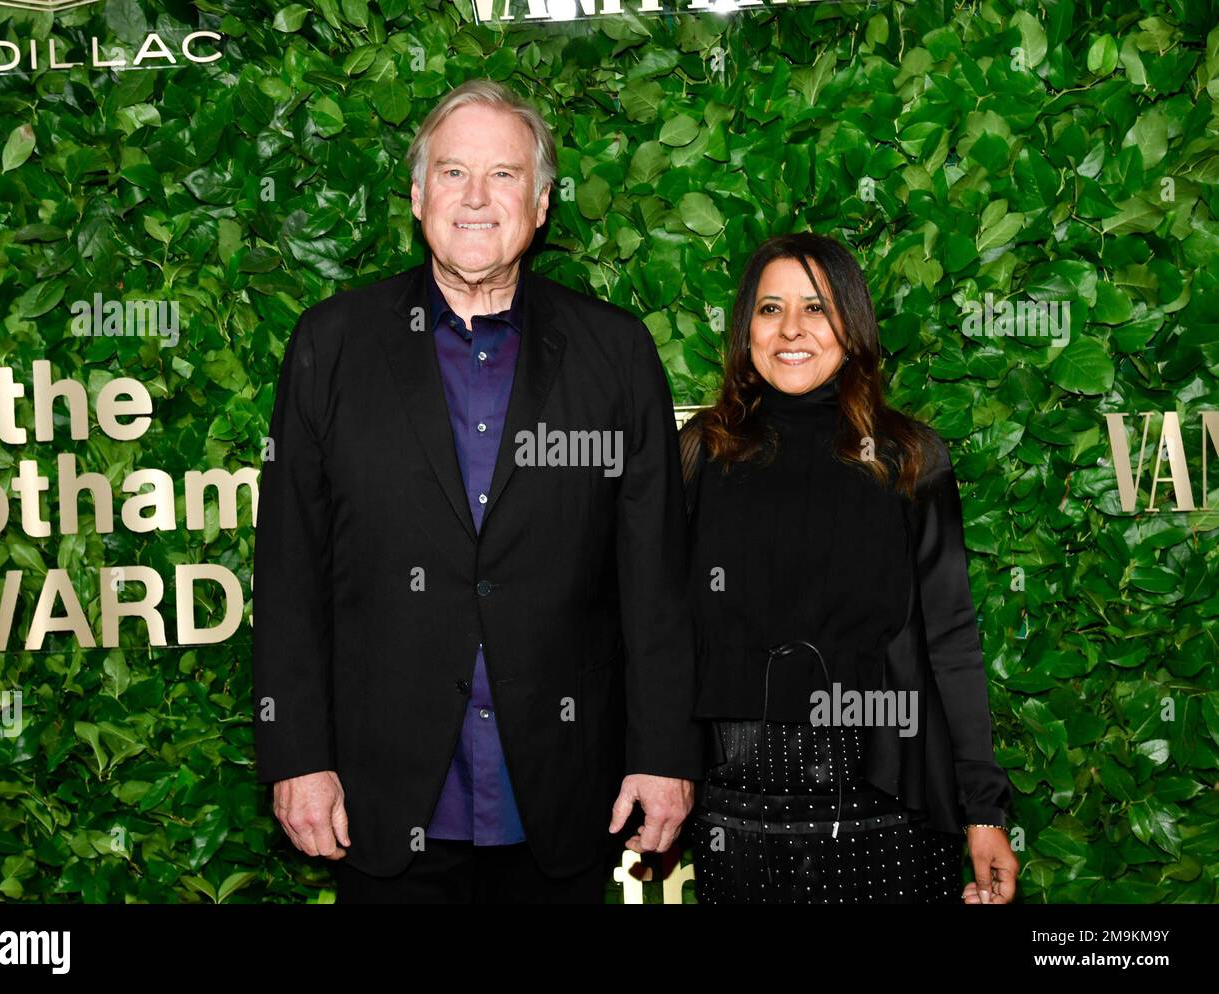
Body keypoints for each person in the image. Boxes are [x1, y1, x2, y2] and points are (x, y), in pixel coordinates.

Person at [251, 78, 702, 903]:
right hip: (382, 799)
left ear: (540, 205)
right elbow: (289, 574)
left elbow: (655, 582)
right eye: (454, 173)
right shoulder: (331, 346)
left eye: (504, 176)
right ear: (418, 194)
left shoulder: (614, 353)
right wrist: (297, 755)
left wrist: (663, 754)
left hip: (564, 799)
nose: (476, 198)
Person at [678, 233, 1017, 904]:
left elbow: (949, 636)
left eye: (818, 308)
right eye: (770, 309)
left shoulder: (906, 456)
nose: (792, 330)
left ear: (851, 326)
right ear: (745, 329)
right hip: (734, 816)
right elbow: (659, 628)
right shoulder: (700, 453)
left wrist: (983, 810)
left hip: (886, 808)